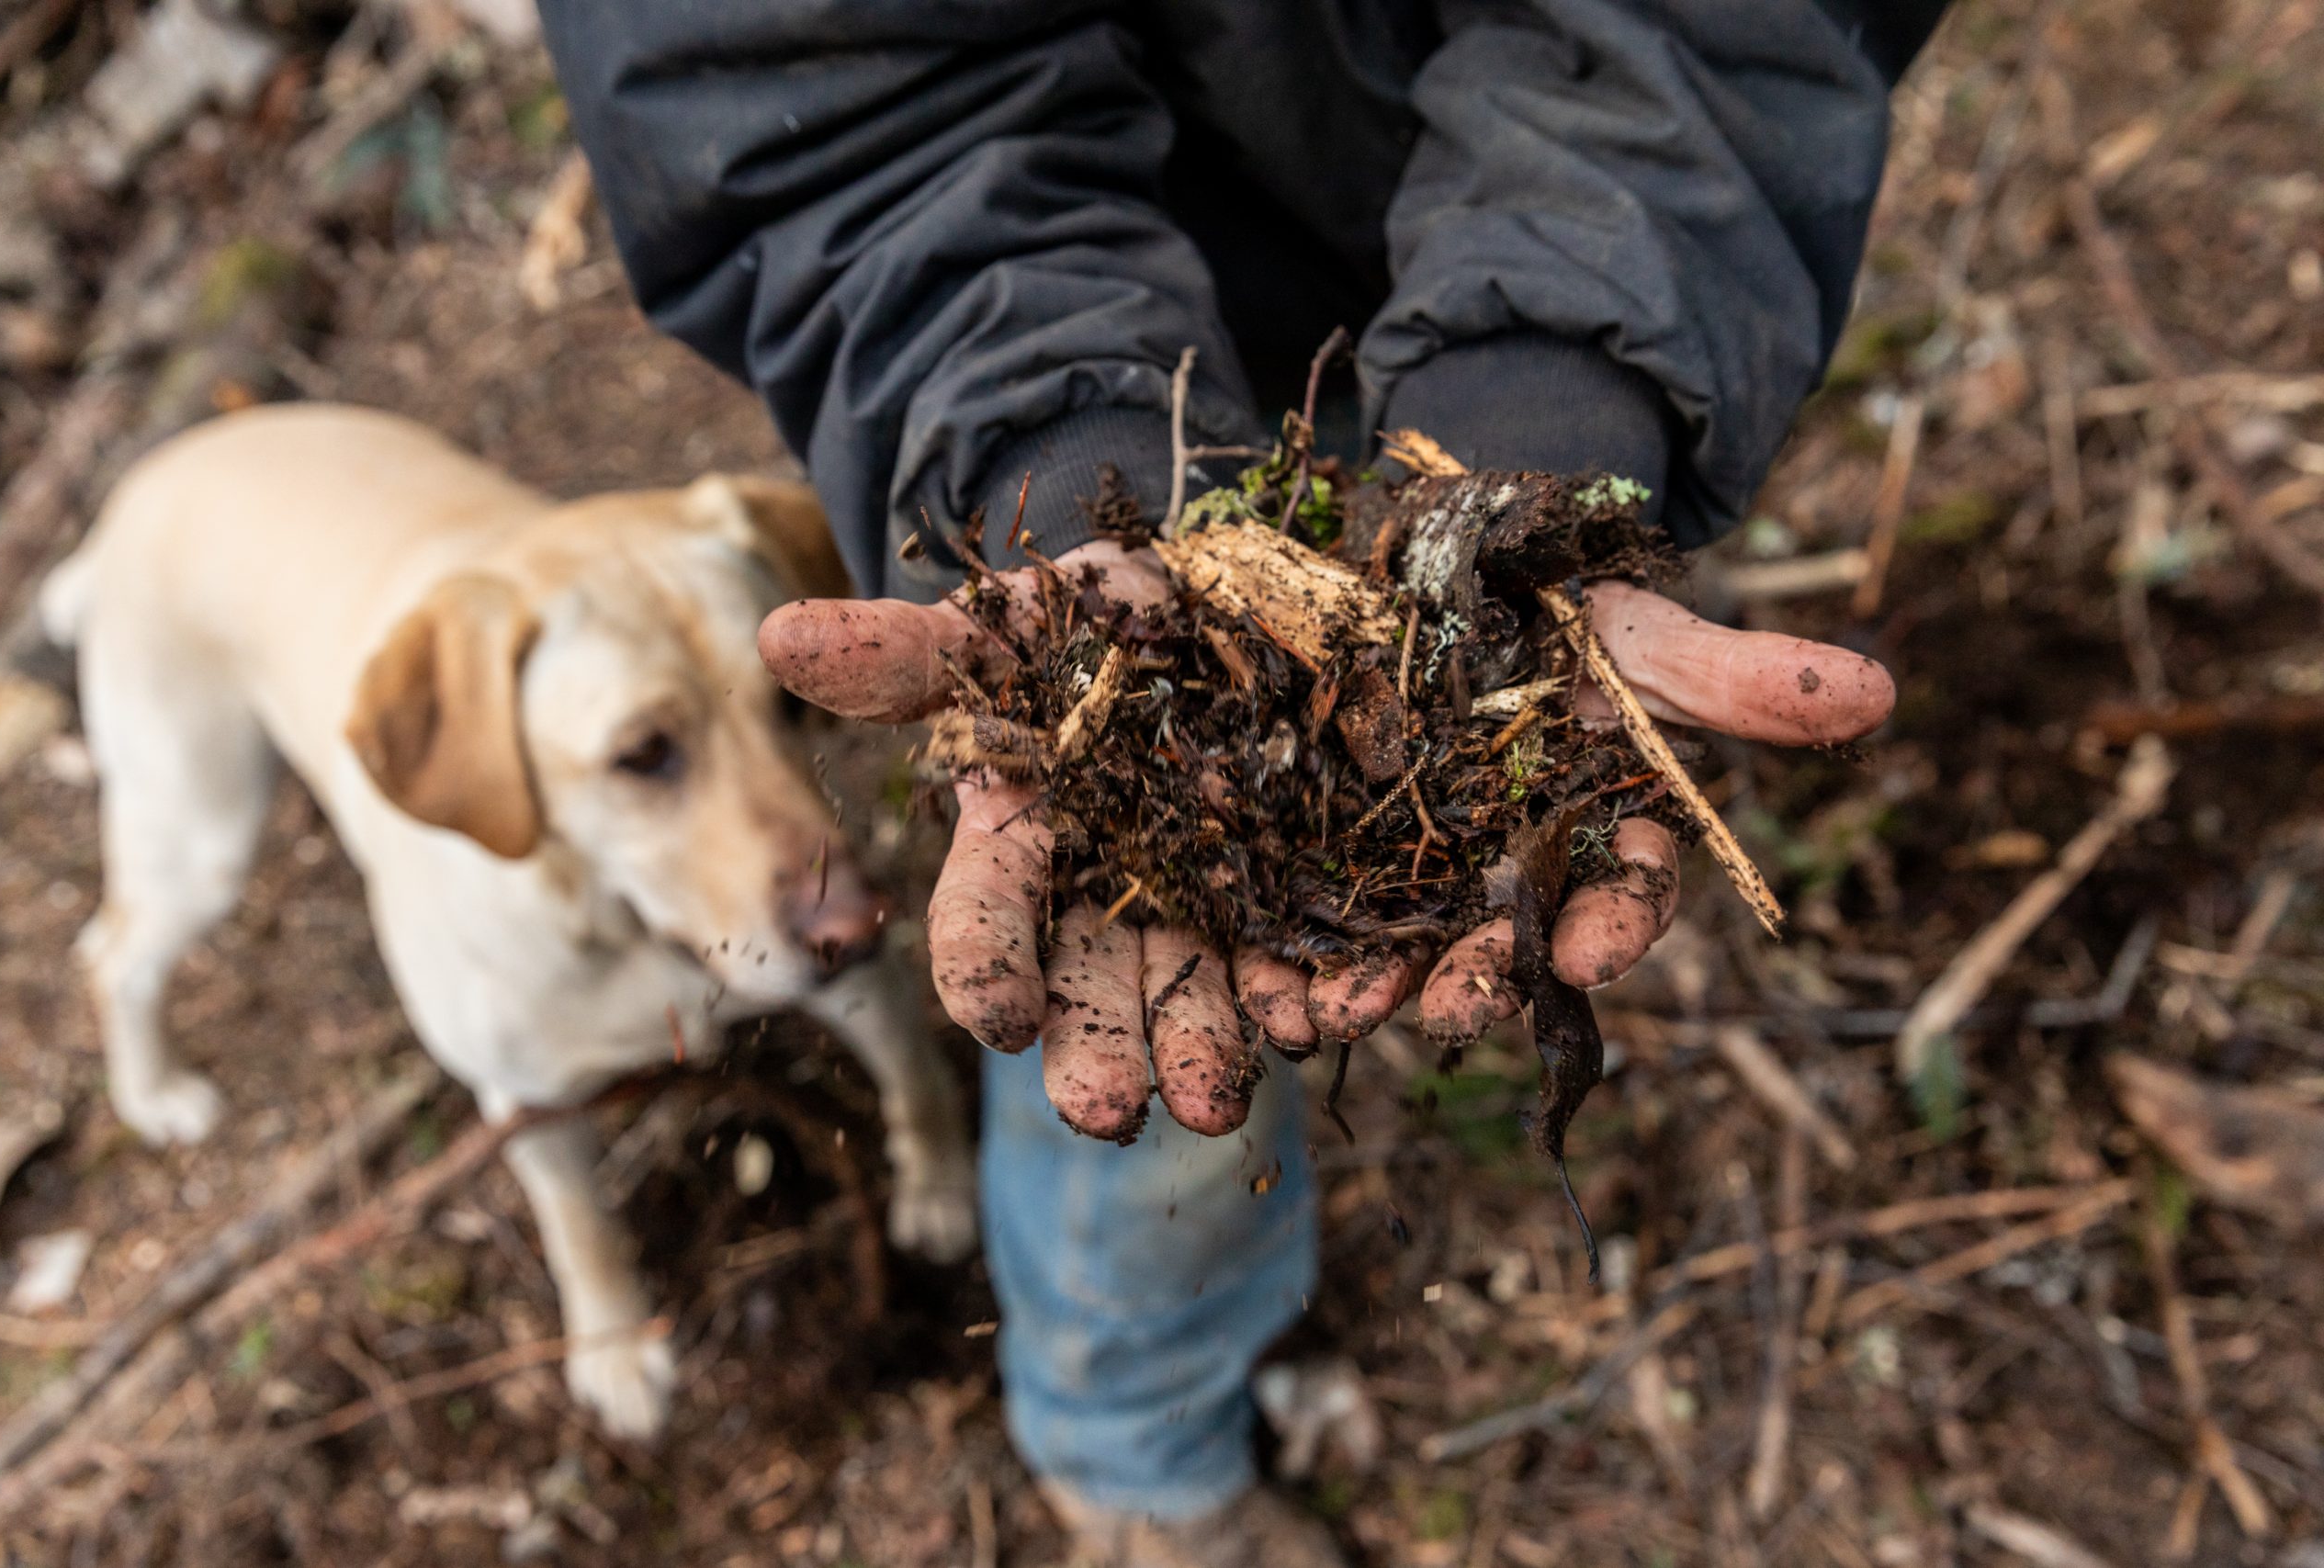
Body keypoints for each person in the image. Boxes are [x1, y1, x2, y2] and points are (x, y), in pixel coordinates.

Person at [540, 3, 1937, 1561]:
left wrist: (1546, 415)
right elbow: (817, 102)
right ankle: (1135, 1456)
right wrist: (1049, 460)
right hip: (1043, 330)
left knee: (1415, 834)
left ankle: (1183, 1377)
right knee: (1135, 1027)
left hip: (1574, 259)